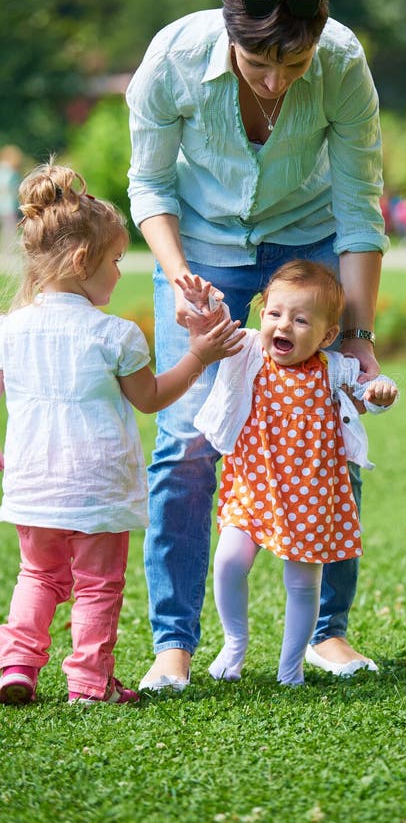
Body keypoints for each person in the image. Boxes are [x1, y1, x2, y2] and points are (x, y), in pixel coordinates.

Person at [126, 0, 390, 692]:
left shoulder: (341, 63)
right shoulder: (172, 59)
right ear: (228, 30)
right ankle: (174, 644)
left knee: (328, 424)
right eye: (259, 65)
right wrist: (181, 280)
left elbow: (357, 208)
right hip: (200, 244)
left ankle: (327, 634)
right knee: (184, 443)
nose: (276, 84)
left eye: (293, 66)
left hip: (304, 238)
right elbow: (147, 185)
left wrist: (360, 341)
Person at [0, 162, 242, 706]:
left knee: (37, 576)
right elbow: (151, 398)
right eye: (114, 261)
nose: (117, 273)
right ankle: (88, 682)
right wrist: (200, 355)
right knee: (98, 585)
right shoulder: (116, 334)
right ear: (82, 261)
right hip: (97, 484)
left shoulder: (8, 330)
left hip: (30, 483)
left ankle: (15, 664)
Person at [186, 260, 398, 684]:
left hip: (312, 498)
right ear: (261, 316)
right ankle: (235, 644)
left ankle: (291, 667)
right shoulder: (248, 350)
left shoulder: (331, 367)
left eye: (301, 320)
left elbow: (363, 395)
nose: (284, 326)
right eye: (275, 314)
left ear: (326, 335)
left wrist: (380, 393)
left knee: (303, 586)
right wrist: (203, 303)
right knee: (228, 561)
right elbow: (217, 322)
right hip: (253, 488)